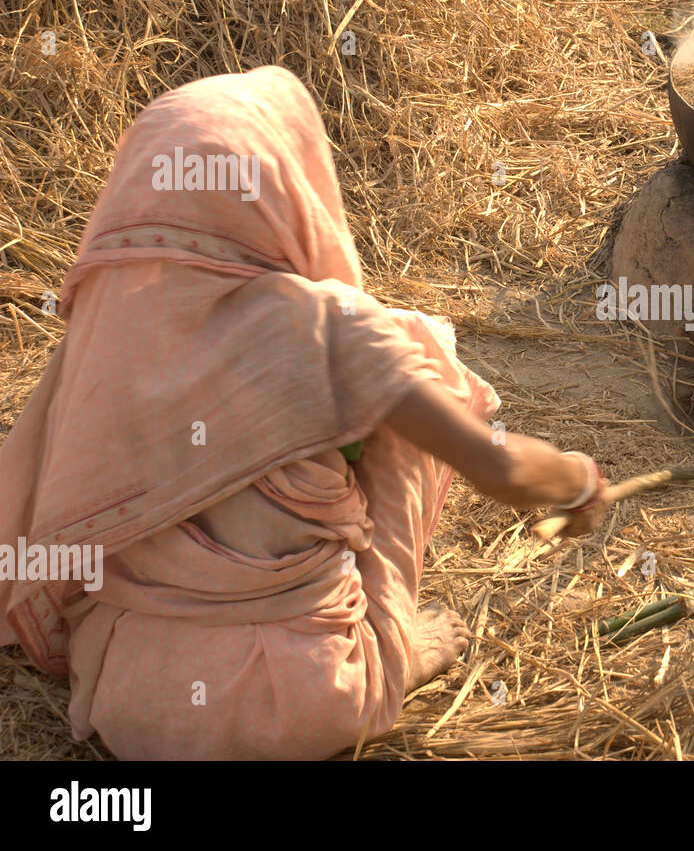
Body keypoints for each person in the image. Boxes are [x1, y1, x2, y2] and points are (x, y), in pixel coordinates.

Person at [0, 66, 607, 759]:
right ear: (286, 186)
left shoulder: (110, 337)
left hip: (127, 697)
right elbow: (498, 467)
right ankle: (394, 651)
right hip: (305, 698)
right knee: (408, 358)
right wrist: (579, 482)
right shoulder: (331, 331)